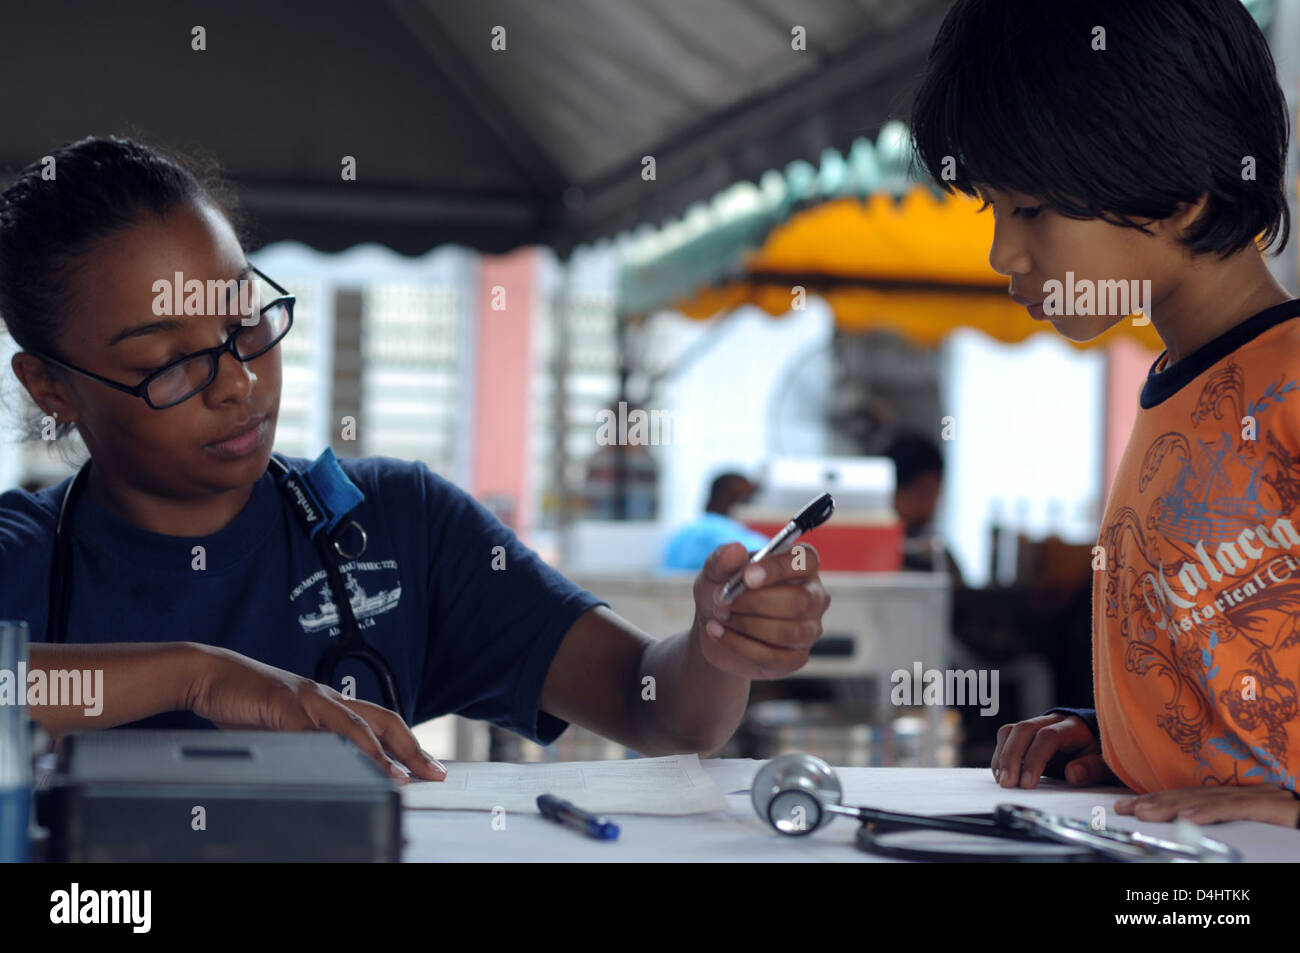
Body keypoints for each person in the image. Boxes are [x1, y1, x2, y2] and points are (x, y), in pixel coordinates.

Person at [0, 137, 831, 781]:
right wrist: (194, 675)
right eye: (170, 363)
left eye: (245, 324)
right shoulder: (24, 554)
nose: (240, 382)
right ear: (50, 387)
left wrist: (717, 651)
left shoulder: (397, 526)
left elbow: (660, 711)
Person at [910, 0, 1300, 827]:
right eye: (992, 209)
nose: (1002, 255)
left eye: (1031, 210)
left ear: (1181, 196)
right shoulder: (1180, 385)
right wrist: (1119, 737)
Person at [882, 433, 964, 586]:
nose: (933, 503)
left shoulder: (938, 557)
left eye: (935, 492)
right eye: (923, 493)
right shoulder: (876, 553)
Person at [660, 471, 768, 570]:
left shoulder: (685, 531)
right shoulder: (724, 533)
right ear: (738, 500)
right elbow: (765, 555)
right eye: (748, 497)